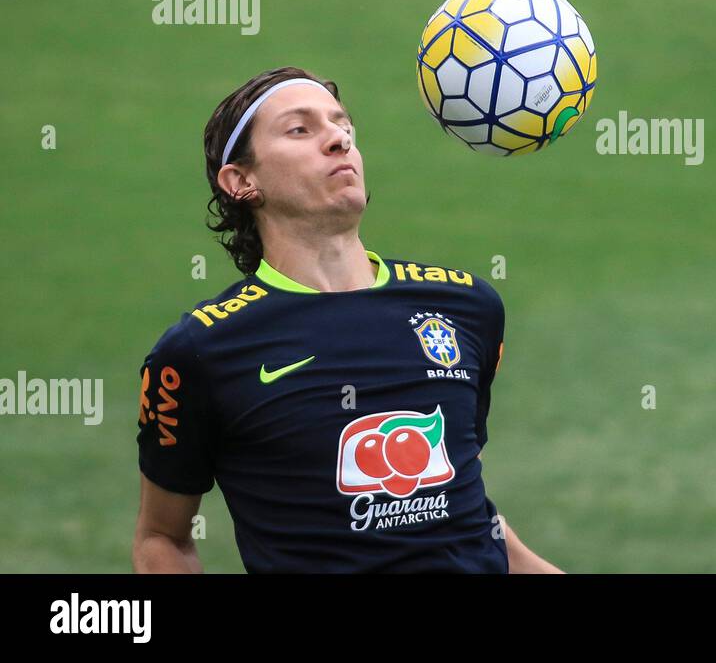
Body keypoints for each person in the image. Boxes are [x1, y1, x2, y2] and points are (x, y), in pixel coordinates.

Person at [132, 66, 561, 573]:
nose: (337, 138)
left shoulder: (467, 307)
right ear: (242, 181)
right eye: (300, 129)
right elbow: (163, 538)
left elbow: (464, 508)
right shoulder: (202, 351)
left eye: (342, 125)